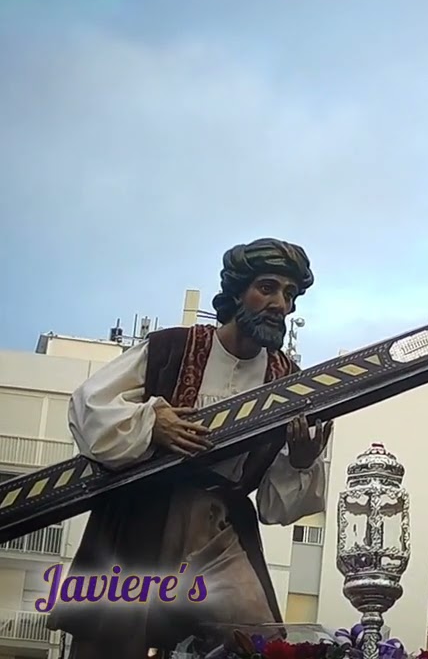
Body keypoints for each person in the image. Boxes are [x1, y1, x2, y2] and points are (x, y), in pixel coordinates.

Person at [48, 238, 333, 659]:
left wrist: (302, 464)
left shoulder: (287, 380)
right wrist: (152, 422)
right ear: (238, 292)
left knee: (257, 642)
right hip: (144, 515)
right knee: (111, 641)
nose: (280, 304)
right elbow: (89, 406)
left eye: (289, 295)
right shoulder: (171, 348)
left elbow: (276, 505)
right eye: (268, 288)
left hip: (219, 529)